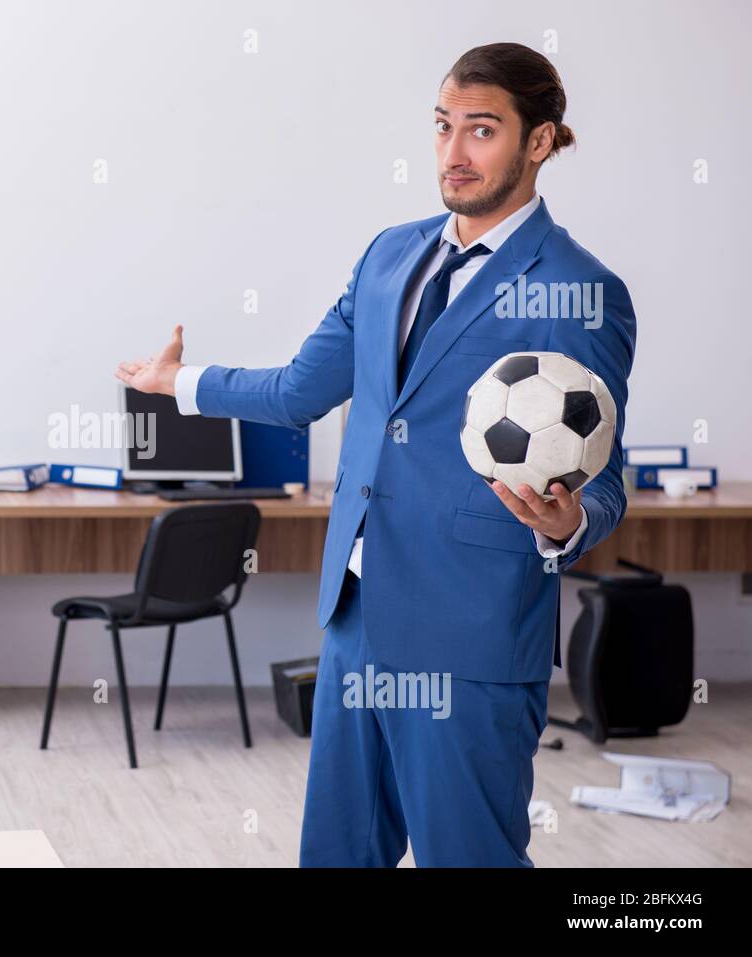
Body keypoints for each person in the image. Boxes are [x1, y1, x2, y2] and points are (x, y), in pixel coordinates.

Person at [115, 42, 636, 867]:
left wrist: (571, 519)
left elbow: (606, 472)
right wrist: (183, 383)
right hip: (359, 613)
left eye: (482, 130)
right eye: (442, 127)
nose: (454, 153)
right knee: (335, 853)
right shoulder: (391, 254)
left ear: (538, 142)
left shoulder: (578, 288)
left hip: (471, 630)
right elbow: (297, 389)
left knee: (468, 857)